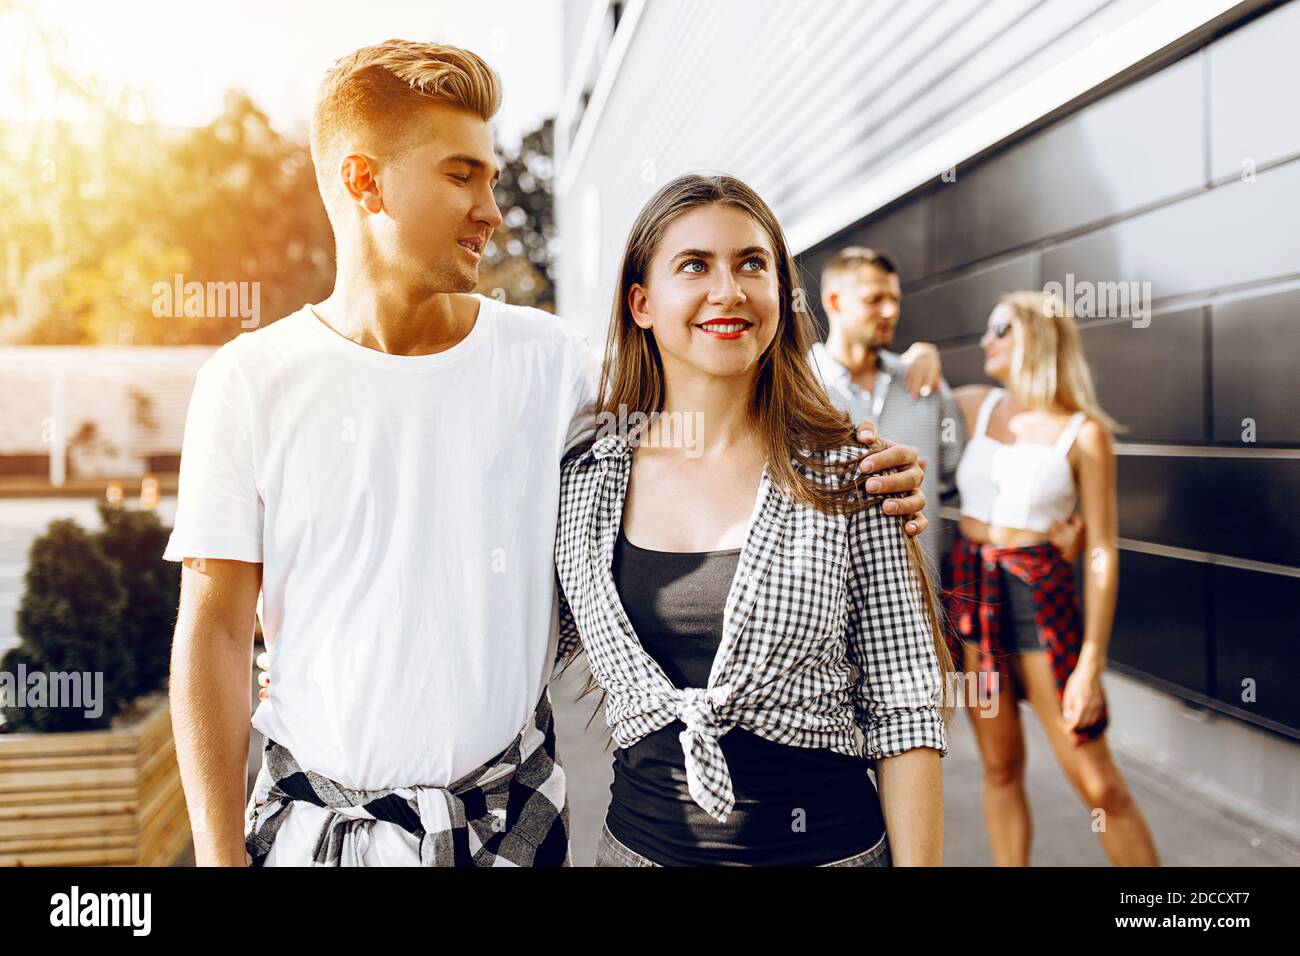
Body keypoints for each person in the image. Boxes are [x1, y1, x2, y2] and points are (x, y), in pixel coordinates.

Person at [170, 39, 932, 867]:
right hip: (318, 830)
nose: (492, 209)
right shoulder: (247, 383)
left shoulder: (555, 364)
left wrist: (856, 455)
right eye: (461, 176)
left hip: (510, 823)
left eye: (491, 179)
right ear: (365, 181)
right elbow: (212, 631)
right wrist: (217, 853)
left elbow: (712, 373)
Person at [552, 173, 952, 867]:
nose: (729, 289)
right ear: (642, 303)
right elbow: (510, 640)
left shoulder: (849, 474)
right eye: (695, 265)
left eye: (751, 264)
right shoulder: (586, 480)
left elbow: (906, 711)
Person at [943, 291, 1160, 866]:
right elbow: (895, 388)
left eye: (1000, 329)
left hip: (1041, 603)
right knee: (999, 768)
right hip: (975, 599)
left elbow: (1102, 553)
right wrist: (917, 352)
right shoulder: (973, 406)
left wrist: (1092, 661)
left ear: (1036, 338)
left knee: (1099, 786)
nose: (986, 341)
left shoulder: (1084, 433)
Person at [812, 247, 1084, 577]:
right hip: (829, 596)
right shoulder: (800, 391)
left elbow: (971, 480)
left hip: (922, 599)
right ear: (835, 301)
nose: (890, 311)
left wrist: (1042, 527)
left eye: (895, 299)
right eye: (874, 299)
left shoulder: (928, 385)